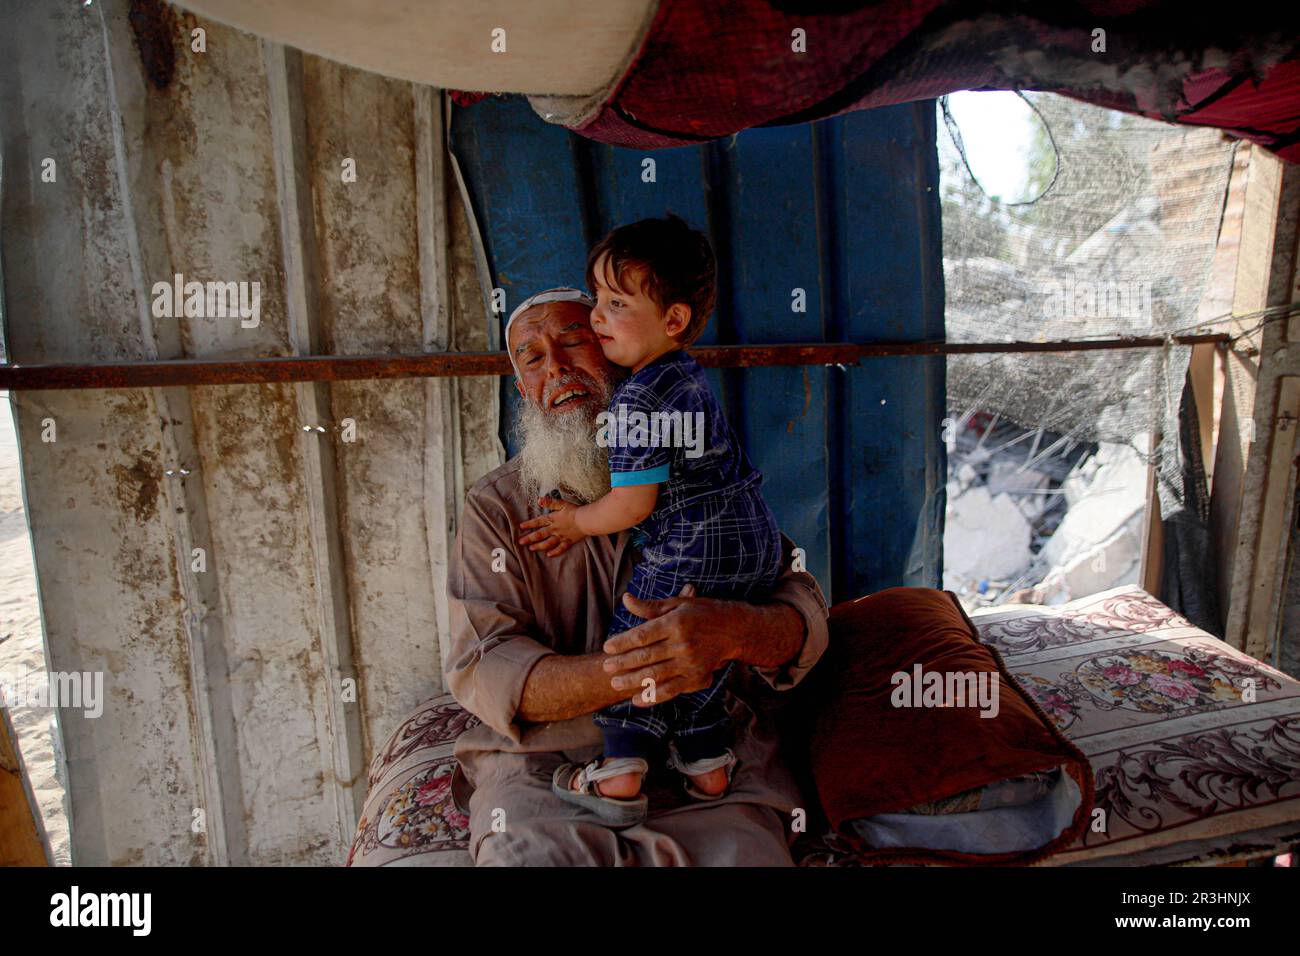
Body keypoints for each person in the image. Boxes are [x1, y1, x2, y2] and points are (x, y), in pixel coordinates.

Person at [444, 289, 828, 866]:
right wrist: (641, 668)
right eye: (533, 358)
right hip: (551, 766)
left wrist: (730, 633)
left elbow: (803, 620)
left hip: (703, 755)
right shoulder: (496, 508)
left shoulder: (703, 466)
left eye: (576, 342)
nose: (558, 367)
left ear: (620, 355)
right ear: (521, 388)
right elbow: (485, 667)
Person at [516, 217, 782, 825]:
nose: (599, 319)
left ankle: (619, 771)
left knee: (641, 642)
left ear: (675, 320)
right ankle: (708, 764)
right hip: (753, 540)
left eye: (612, 307)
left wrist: (578, 523)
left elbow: (634, 505)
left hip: (692, 545)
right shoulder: (687, 377)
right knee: (700, 650)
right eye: (531, 358)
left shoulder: (636, 399)